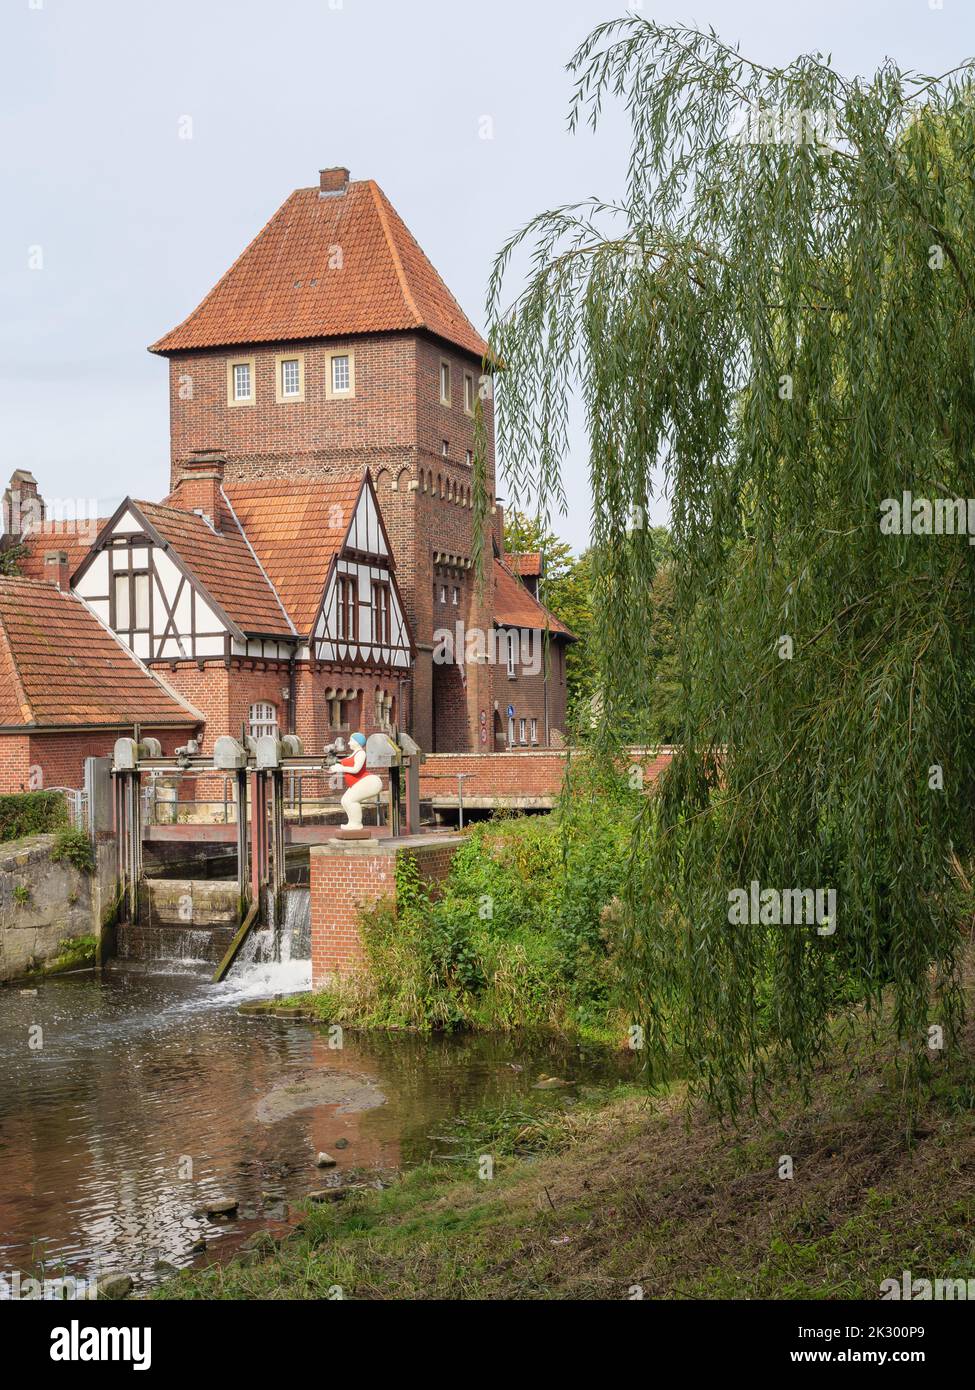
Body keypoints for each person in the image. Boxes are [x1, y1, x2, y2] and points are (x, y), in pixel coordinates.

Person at [332, 732, 383, 830]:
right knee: (344, 800)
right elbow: (345, 764)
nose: (349, 743)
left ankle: (357, 824)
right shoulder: (354, 753)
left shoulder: (361, 753)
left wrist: (341, 768)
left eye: (351, 741)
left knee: (350, 800)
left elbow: (356, 769)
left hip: (368, 781)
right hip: (357, 782)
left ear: (357, 742)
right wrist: (334, 766)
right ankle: (351, 823)